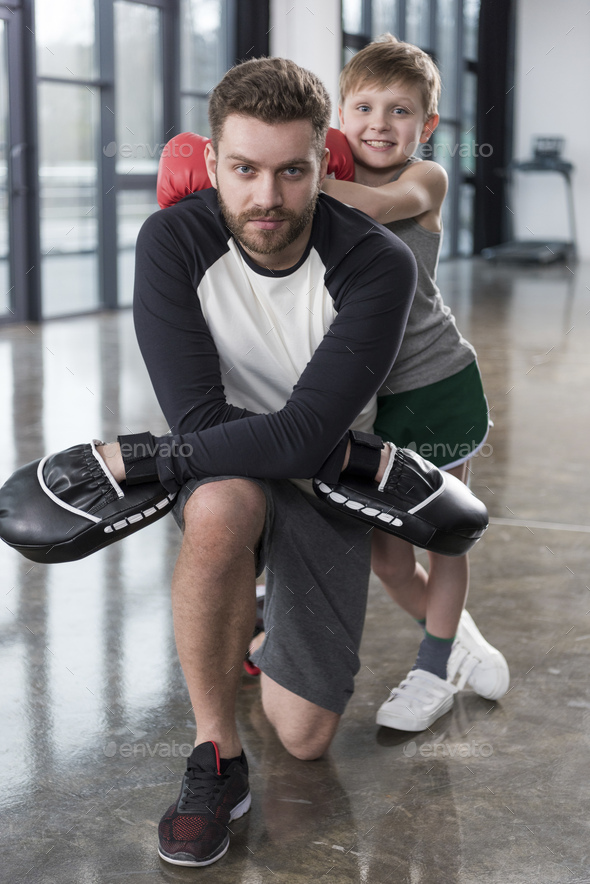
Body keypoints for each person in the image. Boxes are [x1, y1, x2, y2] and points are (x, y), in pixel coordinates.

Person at [104, 56, 419, 867]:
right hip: (230, 468)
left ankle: (260, 623)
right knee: (218, 507)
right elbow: (202, 420)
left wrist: (148, 458)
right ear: (210, 164)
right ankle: (215, 755)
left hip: (328, 472)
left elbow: (309, 439)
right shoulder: (172, 243)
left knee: (306, 737)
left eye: (292, 172)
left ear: (327, 164)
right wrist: (194, 453)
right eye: (243, 170)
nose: (267, 198)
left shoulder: (377, 263)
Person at [320, 34, 509, 730]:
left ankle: (433, 673)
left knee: (441, 538)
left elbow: (370, 211)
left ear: (426, 127)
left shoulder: (423, 179)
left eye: (400, 111)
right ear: (340, 116)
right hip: (366, 400)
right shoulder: (323, 179)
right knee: (389, 561)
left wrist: (272, 172)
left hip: (435, 383)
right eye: (363, 107)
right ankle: (458, 636)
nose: (379, 123)